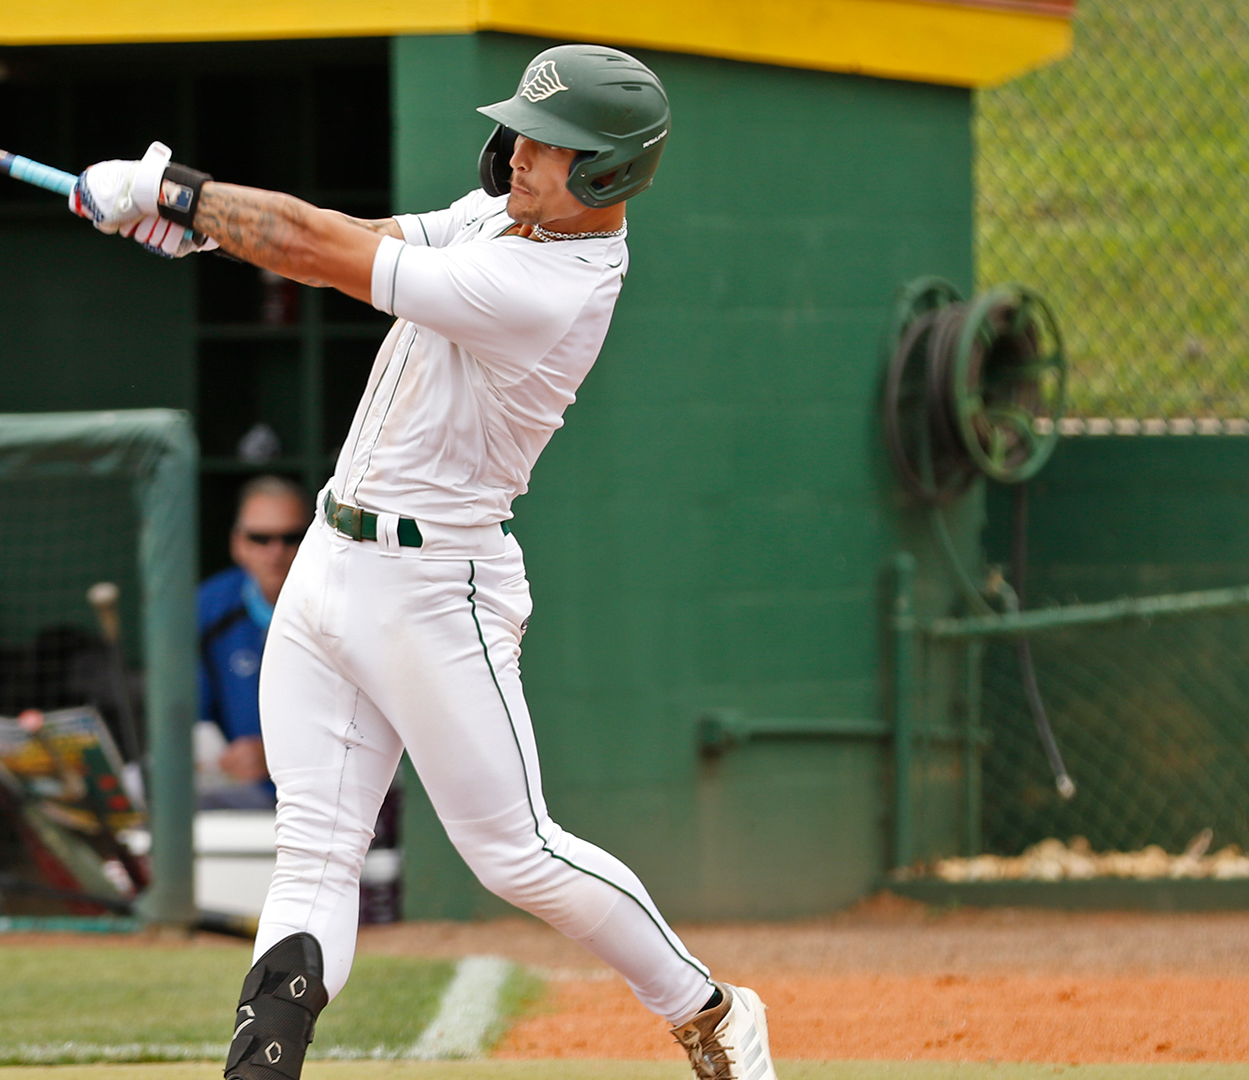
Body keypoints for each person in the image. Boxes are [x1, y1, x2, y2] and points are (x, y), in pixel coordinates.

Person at [71, 45, 776, 1080]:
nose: (521, 154)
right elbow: (362, 235)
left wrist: (175, 191)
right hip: (328, 564)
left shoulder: (547, 284)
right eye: (523, 132)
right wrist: (205, 227)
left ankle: (709, 1011)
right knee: (312, 851)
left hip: (435, 588)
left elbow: (325, 257)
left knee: (515, 853)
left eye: (552, 145)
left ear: (608, 171)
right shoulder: (505, 218)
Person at [198, 475, 309, 811]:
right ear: (238, 544)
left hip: (321, 793)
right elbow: (193, 721)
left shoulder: (345, 609)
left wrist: (277, 756)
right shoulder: (210, 606)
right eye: (260, 538)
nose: (276, 551)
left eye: (291, 538)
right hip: (235, 789)